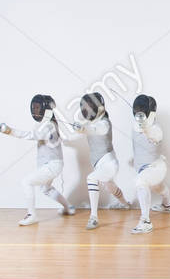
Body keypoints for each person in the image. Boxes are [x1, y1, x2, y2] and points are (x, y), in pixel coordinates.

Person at [55, 92, 130, 231]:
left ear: (99, 108)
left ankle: (94, 217)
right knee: (110, 187)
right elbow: (81, 133)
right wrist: (63, 140)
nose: (87, 110)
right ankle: (125, 204)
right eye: (86, 107)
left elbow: (96, 130)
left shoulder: (104, 123)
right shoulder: (90, 123)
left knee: (91, 178)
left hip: (109, 163)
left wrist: (83, 129)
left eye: (90, 106)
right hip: (100, 166)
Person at [0, 93, 76, 226]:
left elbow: (30, 136)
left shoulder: (48, 126)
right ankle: (68, 207)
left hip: (52, 165)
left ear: (46, 110)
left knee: (26, 182)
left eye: (37, 108)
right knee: (46, 189)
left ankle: (31, 215)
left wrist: (10, 131)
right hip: (51, 164)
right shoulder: (49, 124)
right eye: (33, 108)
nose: (35, 111)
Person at [129, 93, 170, 234]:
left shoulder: (156, 128)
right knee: (157, 187)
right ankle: (168, 205)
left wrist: (146, 129)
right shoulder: (135, 124)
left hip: (156, 167)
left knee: (140, 182)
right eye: (137, 108)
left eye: (142, 108)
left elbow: (155, 136)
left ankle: (146, 221)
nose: (139, 111)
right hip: (145, 168)